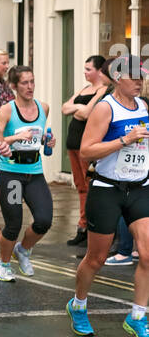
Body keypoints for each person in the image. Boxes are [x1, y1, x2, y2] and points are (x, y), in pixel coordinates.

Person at [67, 54, 149, 337]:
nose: (140, 81)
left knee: (148, 253)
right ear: (117, 79)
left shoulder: (143, 107)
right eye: (134, 77)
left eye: (142, 76)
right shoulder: (105, 109)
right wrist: (124, 140)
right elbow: (86, 151)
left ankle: (138, 316)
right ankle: (78, 304)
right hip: (107, 189)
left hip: (139, 187)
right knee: (96, 258)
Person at [0, 66, 54, 281]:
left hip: (34, 173)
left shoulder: (43, 108)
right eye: (25, 83)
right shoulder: (7, 111)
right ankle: (3, 264)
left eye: (32, 81)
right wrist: (15, 138)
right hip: (11, 174)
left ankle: (24, 250)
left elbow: (42, 137)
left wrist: (48, 141)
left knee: (44, 220)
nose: (30, 87)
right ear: (14, 86)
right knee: (14, 222)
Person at [61, 55, 109, 248]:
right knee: (80, 187)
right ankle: (82, 227)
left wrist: (78, 108)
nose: (85, 72)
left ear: (99, 71)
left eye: (89, 69)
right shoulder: (84, 89)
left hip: (86, 145)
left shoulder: (103, 90)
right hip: (73, 144)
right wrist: (78, 108)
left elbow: (87, 113)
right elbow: (65, 108)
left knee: (89, 188)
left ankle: (90, 228)